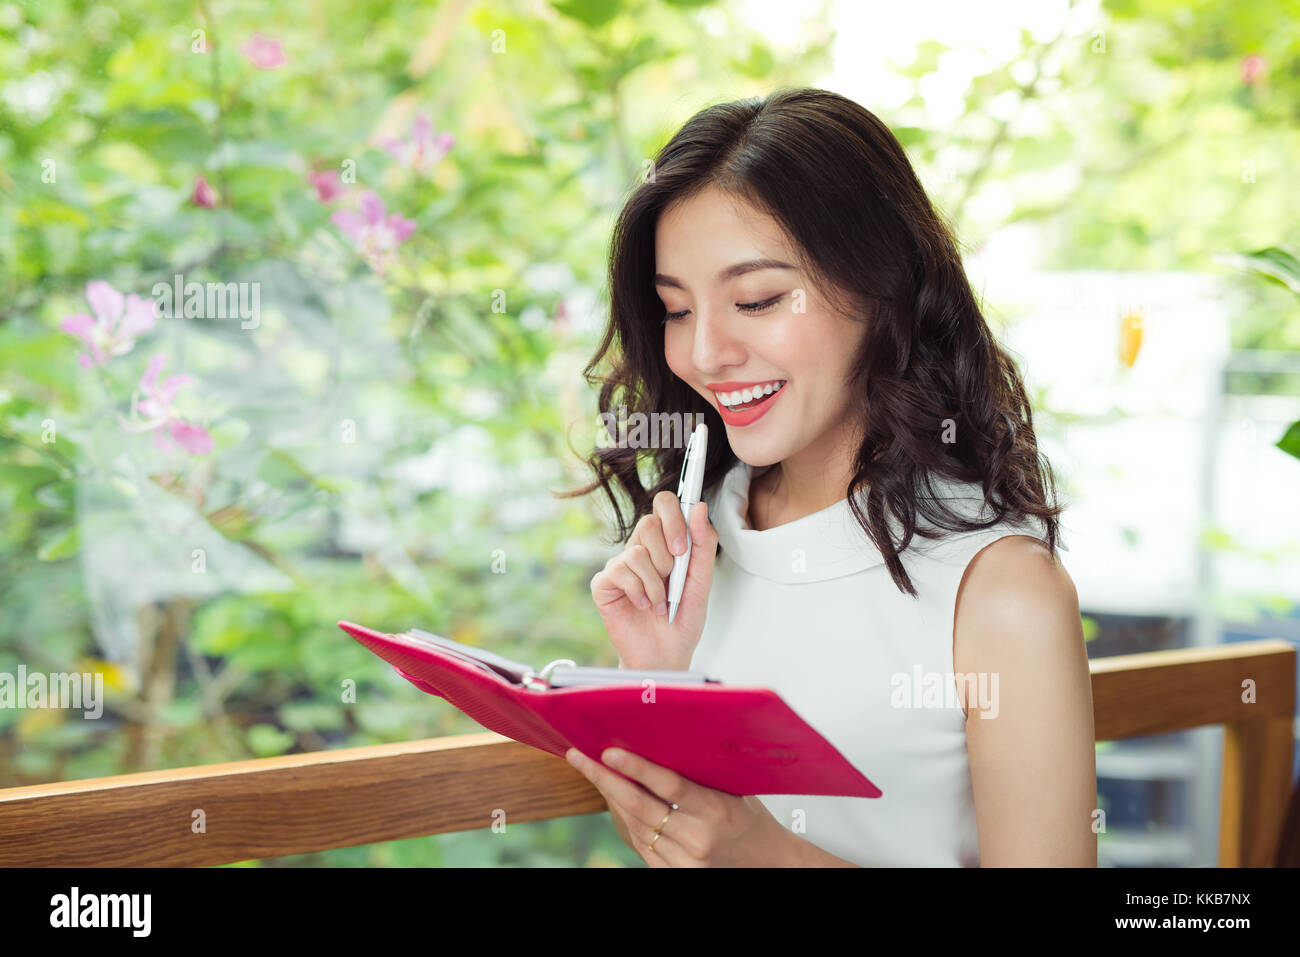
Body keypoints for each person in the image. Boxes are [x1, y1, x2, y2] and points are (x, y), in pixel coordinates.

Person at [557, 88, 1097, 867]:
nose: (705, 352)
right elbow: (673, 840)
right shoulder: (695, 546)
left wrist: (768, 855)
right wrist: (654, 683)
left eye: (757, 298)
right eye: (675, 309)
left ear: (879, 289)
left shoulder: (1000, 591)